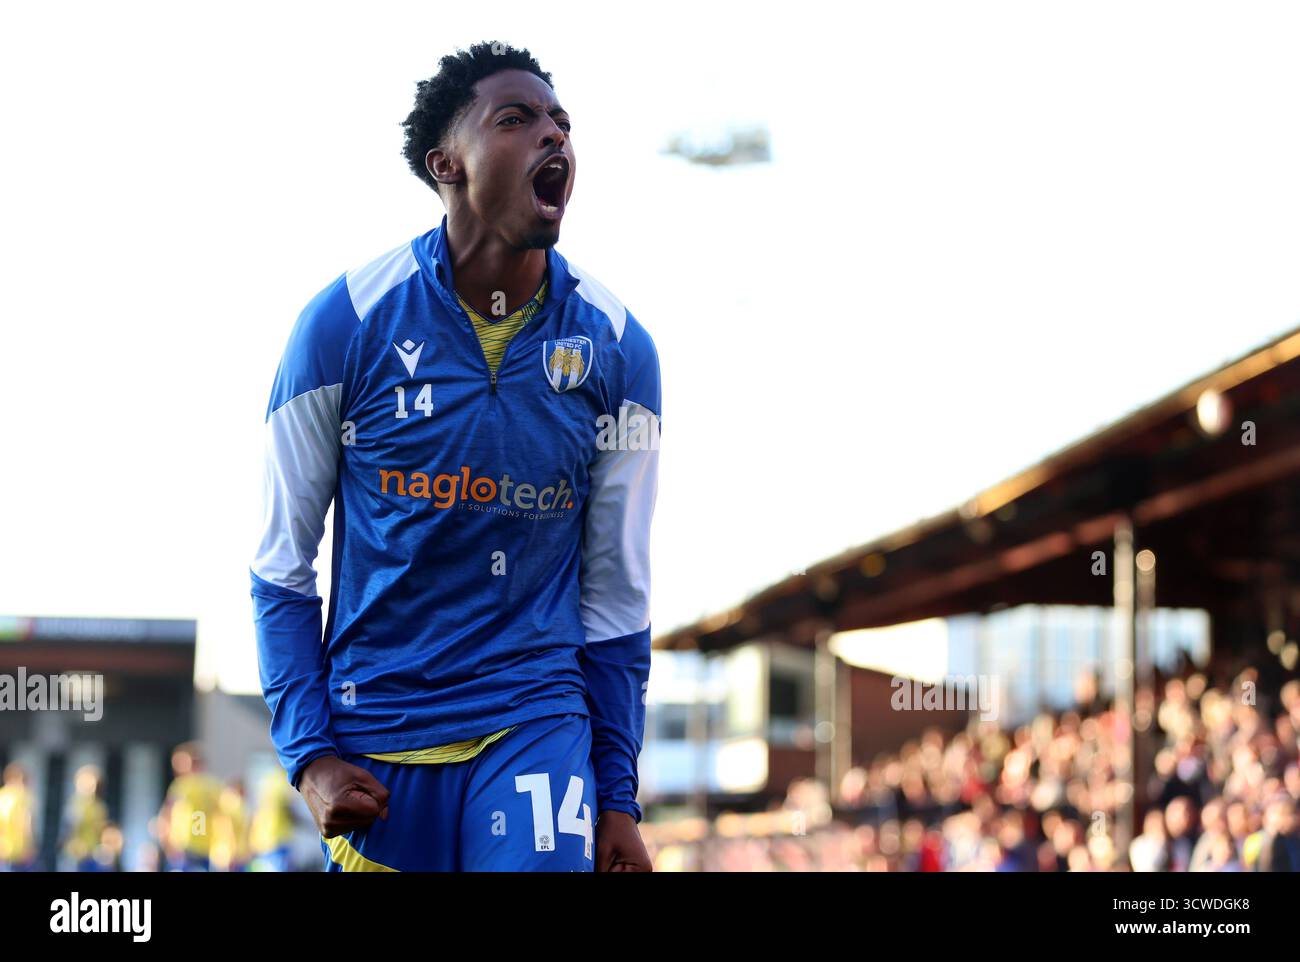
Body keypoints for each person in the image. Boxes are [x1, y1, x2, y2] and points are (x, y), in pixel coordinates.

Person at [251, 41, 661, 872]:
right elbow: (283, 568)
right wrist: (310, 757)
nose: (553, 135)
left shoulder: (620, 351)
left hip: (534, 716)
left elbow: (617, 593)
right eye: (516, 118)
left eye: (562, 122)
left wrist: (616, 793)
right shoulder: (339, 327)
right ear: (447, 163)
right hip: (379, 740)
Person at [158, 743, 224, 871]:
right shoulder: (213, 786)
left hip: (186, 846)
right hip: (205, 847)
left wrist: (168, 844)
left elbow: (166, 816)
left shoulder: (182, 786)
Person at [0, 764, 37, 871]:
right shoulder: (22, 798)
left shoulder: (2, 796)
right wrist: (31, 847)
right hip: (20, 851)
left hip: (4, 850)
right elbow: (25, 824)